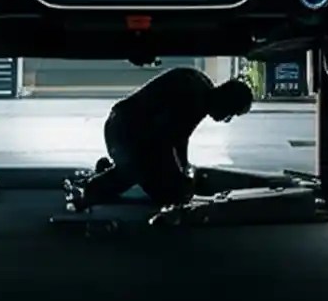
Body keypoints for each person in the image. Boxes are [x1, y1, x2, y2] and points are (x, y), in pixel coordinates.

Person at [67, 67, 254, 211]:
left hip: (122, 127)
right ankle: (93, 189)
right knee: (157, 184)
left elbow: (179, 138)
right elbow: (164, 141)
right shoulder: (194, 102)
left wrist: (182, 169)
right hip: (126, 134)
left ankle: (114, 170)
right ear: (226, 102)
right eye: (231, 113)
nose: (226, 119)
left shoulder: (199, 85)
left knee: (158, 177)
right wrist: (178, 178)